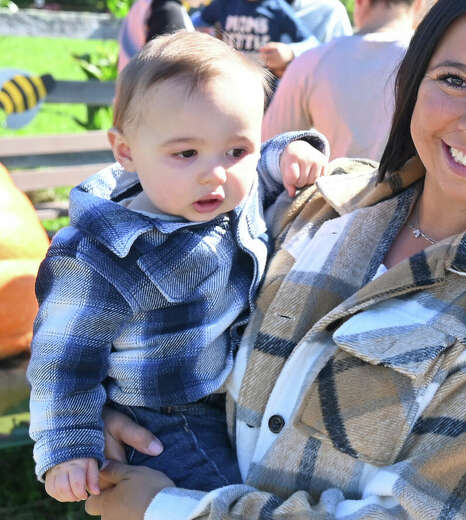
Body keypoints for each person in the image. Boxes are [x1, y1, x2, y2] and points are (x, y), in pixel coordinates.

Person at [84, 0, 466, 520]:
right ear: (411, 81)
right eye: (454, 80)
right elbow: (158, 309)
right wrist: (114, 410)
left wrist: (169, 510)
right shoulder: (315, 204)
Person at [29, 32, 328, 503]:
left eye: (235, 150)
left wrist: (290, 153)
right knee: (218, 499)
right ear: (126, 152)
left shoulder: (219, 193)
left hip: (225, 387)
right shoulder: (102, 257)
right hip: (161, 411)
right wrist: (66, 446)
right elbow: (63, 361)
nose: (216, 172)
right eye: (186, 153)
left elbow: (261, 170)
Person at [260, 0, 426, 159]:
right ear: (419, 0)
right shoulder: (432, 64)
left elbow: (269, 149)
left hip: (331, 193)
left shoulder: (312, 63)